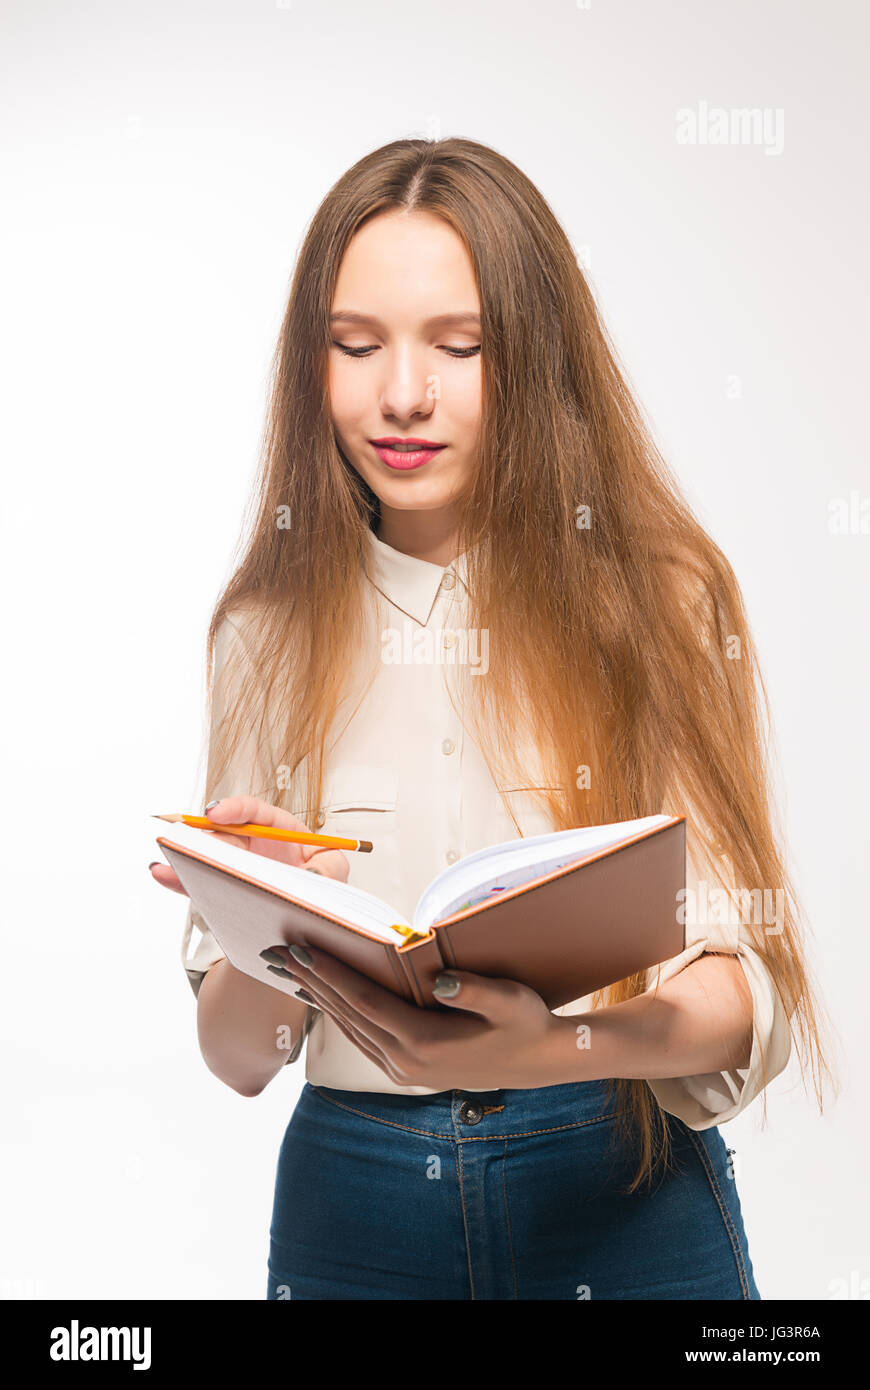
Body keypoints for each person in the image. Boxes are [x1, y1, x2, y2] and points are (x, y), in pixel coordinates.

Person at [150, 137, 834, 1300]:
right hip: (355, 1200)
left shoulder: (663, 596)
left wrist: (562, 1046)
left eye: (458, 349)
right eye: (355, 346)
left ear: (535, 357)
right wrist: (262, 916)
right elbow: (238, 1059)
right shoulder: (260, 630)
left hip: (620, 1183)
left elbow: (742, 992)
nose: (400, 394)